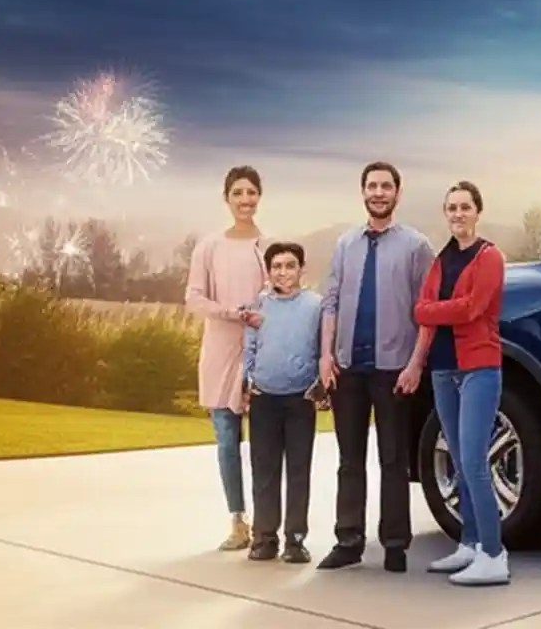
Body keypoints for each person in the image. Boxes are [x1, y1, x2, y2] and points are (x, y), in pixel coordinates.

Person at [317, 161, 436, 573]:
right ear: (363, 192)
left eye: (386, 186)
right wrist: (325, 356)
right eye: (372, 186)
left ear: (397, 194)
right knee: (349, 460)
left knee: (393, 460)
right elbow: (330, 301)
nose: (379, 192)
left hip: (394, 370)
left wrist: (416, 364)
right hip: (348, 368)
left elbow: (428, 312)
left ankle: (395, 545)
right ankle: (348, 541)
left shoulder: (417, 246)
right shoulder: (345, 244)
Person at [414, 180, 509, 586]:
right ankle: (469, 544)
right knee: (457, 460)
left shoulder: (490, 257)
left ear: (477, 211)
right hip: (443, 369)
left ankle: (494, 553)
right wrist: (432, 312)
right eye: (451, 208)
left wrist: (432, 311)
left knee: (474, 461)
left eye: (465, 207)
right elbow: (420, 310)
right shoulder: (441, 261)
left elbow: (473, 309)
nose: (457, 214)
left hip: (479, 369)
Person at [185, 165, 268, 552]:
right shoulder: (209, 246)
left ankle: (268, 524)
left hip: (260, 351)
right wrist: (231, 313)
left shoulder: (269, 246)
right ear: (227, 198)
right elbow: (194, 298)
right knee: (226, 441)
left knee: (265, 443)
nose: (245, 200)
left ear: (259, 197)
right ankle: (238, 521)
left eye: (251, 192)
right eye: (238, 193)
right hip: (219, 351)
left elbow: (280, 294)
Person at [241, 241, 323, 564]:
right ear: (268, 271)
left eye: (290, 266)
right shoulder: (258, 306)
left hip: (300, 398)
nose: (283, 273)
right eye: (276, 267)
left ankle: (295, 539)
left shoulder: (315, 306)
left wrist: (319, 385)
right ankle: (264, 537)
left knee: (299, 470)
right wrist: (247, 383)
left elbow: (322, 346)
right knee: (264, 469)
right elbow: (249, 347)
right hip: (264, 397)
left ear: (302, 269)